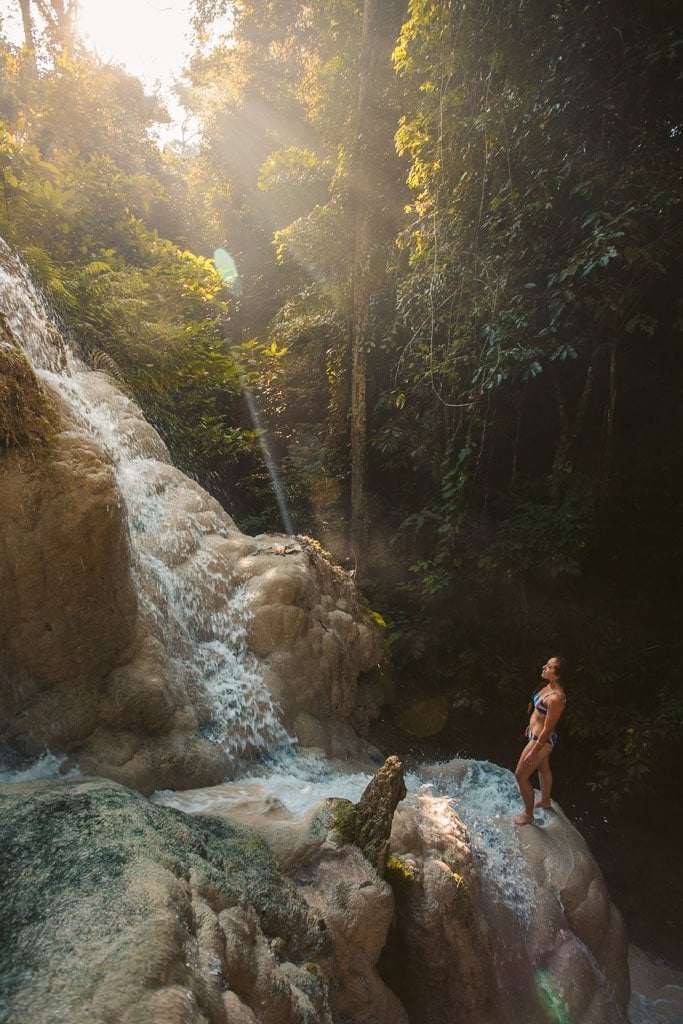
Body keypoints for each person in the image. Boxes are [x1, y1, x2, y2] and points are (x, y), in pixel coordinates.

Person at [514, 656, 567, 825]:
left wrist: (535, 750)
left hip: (542, 741)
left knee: (521, 775)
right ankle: (545, 800)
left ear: (557, 675)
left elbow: (548, 729)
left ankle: (528, 815)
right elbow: (540, 716)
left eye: (549, 666)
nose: (544, 667)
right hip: (535, 735)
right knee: (544, 769)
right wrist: (531, 726)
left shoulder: (556, 698)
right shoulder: (547, 686)